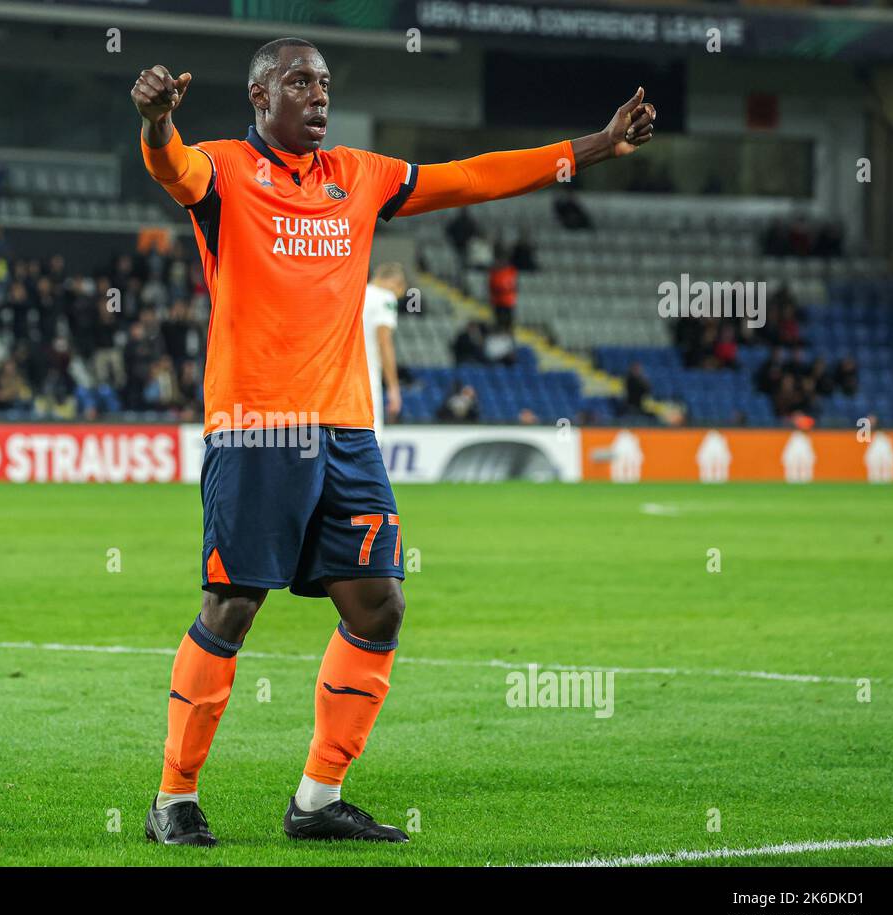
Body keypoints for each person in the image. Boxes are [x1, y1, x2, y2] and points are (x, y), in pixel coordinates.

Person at [132, 37, 656, 846]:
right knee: (233, 605)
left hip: (346, 430)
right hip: (258, 425)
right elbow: (175, 172)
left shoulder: (362, 175)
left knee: (379, 606)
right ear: (260, 97)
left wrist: (593, 146)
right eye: (300, 82)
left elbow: (473, 176)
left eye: (325, 83)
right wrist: (159, 124)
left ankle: (315, 801)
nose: (319, 95)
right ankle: (173, 800)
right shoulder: (226, 169)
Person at [363, 261, 405, 441]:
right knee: (372, 434)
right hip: (367, 374)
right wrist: (393, 387)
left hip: (339, 375)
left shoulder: (356, 292)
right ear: (395, 283)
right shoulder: (385, 297)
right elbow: (384, 341)